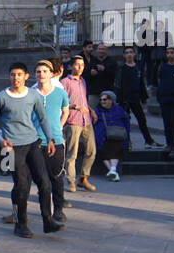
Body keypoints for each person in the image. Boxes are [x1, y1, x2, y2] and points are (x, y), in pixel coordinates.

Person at [0, 62, 61, 237]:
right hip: (12, 147)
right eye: (13, 75)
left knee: (44, 182)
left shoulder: (32, 95)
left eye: (20, 75)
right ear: (9, 76)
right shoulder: (1, 97)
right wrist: (0, 140)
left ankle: (48, 220)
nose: (16, 78)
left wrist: (50, 139)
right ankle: (20, 223)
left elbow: (43, 118)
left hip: (33, 143)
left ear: (26, 76)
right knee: (21, 185)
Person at [31, 61, 69, 224]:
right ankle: (45, 212)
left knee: (56, 177)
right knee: (42, 180)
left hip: (55, 140)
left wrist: (58, 127)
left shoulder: (60, 92)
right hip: (36, 141)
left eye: (45, 71)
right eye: (38, 71)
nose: (41, 74)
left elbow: (65, 111)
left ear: (51, 74)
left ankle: (58, 209)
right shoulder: (30, 93)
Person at [61, 55, 98, 191]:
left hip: (86, 119)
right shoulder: (65, 82)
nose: (80, 67)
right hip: (73, 120)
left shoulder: (83, 81)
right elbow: (61, 103)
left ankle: (83, 178)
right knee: (72, 153)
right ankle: (71, 180)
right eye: (77, 64)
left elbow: (84, 101)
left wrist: (91, 110)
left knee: (91, 151)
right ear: (70, 66)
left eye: (82, 65)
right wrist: (75, 107)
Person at [116, 45, 159, 149]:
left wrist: (144, 97)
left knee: (142, 120)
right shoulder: (122, 68)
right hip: (125, 99)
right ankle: (127, 142)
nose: (129, 54)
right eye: (127, 53)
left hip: (136, 98)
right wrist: (119, 99)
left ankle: (148, 141)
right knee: (126, 121)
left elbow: (141, 84)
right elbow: (118, 84)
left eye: (131, 52)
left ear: (134, 54)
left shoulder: (138, 67)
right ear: (124, 55)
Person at [155, 46, 174, 160]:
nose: (170, 55)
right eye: (168, 53)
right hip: (164, 98)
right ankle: (168, 144)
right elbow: (160, 80)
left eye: (172, 53)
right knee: (166, 123)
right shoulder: (163, 67)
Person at [92, 91, 130, 182]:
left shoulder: (119, 110)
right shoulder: (97, 111)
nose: (102, 102)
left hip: (117, 136)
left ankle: (112, 171)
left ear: (111, 100)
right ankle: (113, 171)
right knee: (104, 150)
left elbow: (126, 122)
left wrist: (126, 134)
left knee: (114, 146)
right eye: (101, 100)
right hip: (102, 137)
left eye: (105, 99)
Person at [86, 43, 116, 110]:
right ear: (96, 50)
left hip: (108, 92)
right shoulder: (92, 61)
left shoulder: (112, 62)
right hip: (94, 93)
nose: (101, 51)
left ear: (106, 50)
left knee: (109, 113)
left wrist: (105, 69)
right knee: (92, 113)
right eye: (99, 49)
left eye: (103, 49)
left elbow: (115, 74)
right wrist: (90, 73)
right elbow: (85, 74)